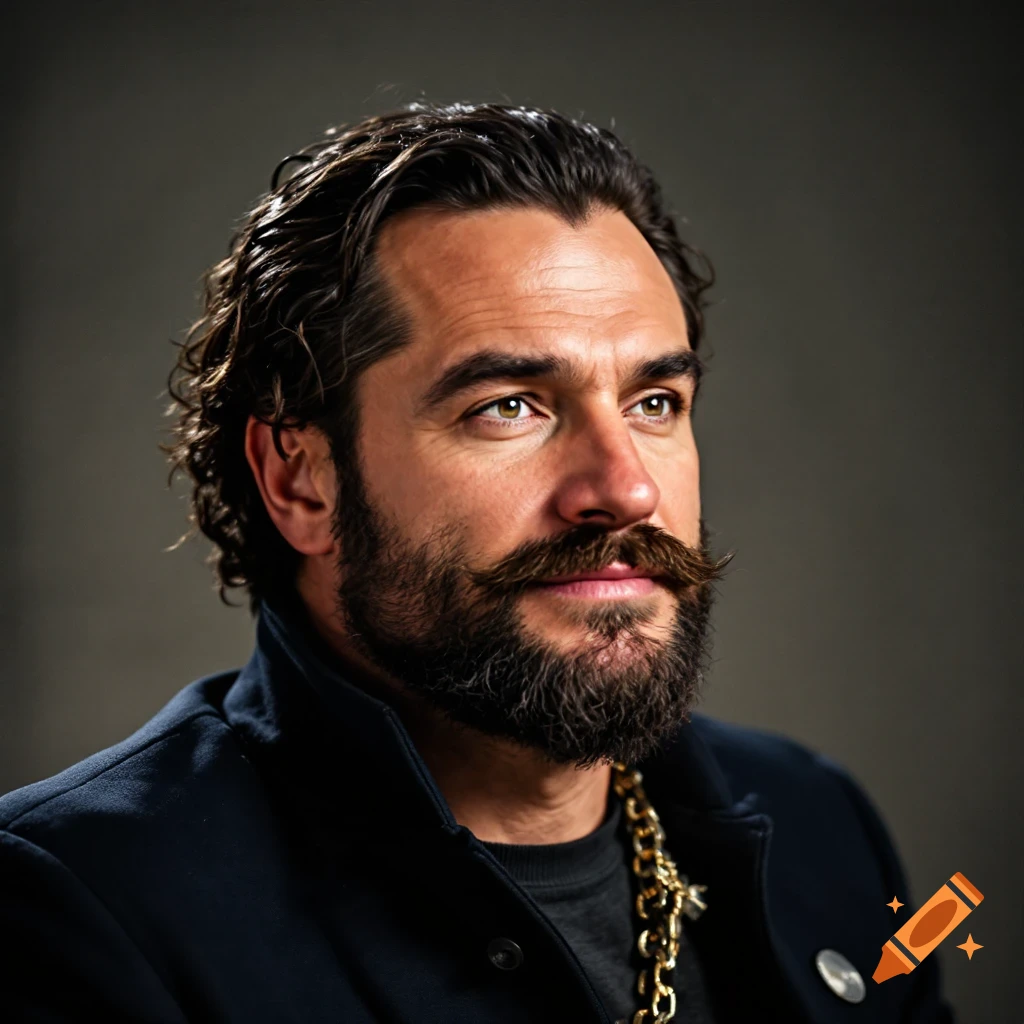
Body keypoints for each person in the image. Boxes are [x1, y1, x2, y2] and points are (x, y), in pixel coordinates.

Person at [0, 102, 953, 1024]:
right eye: (509, 406)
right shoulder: (74, 908)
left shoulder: (821, 828)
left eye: (654, 401)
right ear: (301, 481)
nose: (625, 490)